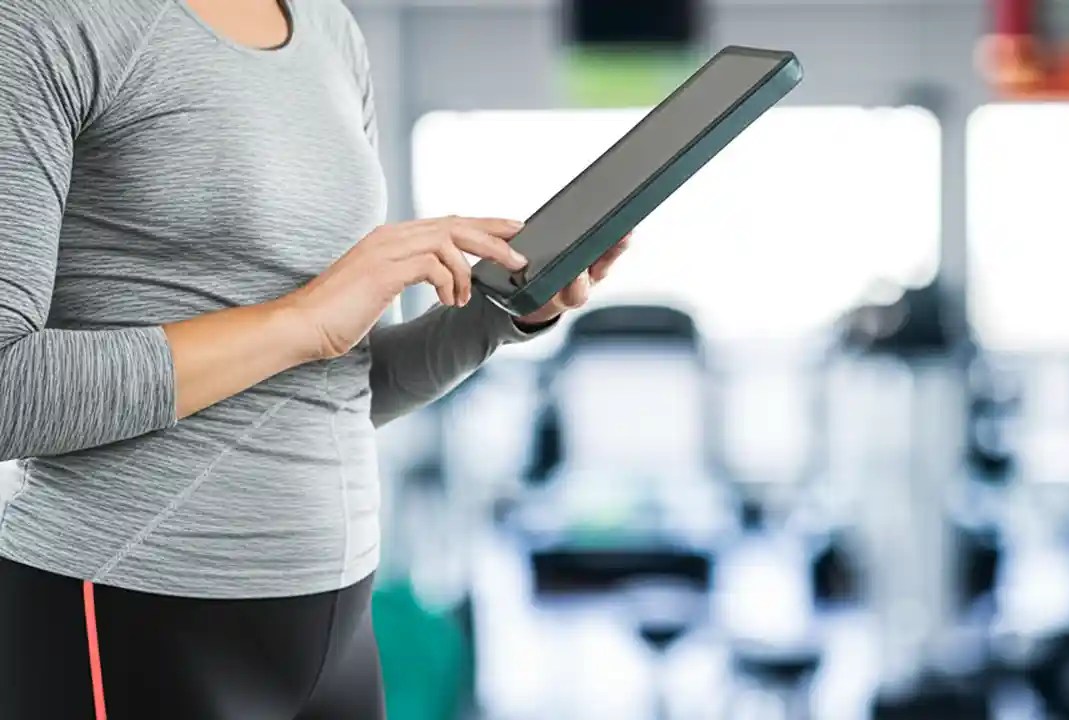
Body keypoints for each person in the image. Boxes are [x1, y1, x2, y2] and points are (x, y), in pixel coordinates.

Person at [0, 0, 630, 717]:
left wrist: (503, 315)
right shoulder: (48, 22)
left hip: (338, 629)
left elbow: (348, 383)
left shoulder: (331, 29)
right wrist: (301, 321)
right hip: (130, 607)